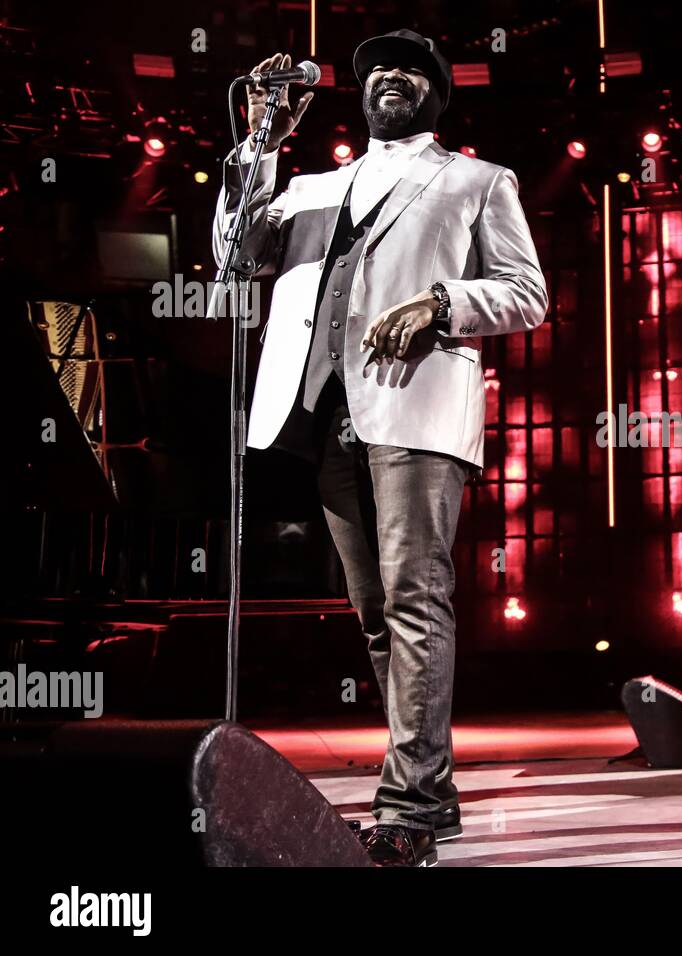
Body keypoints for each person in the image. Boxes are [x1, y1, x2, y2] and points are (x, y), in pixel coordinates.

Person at [212, 28, 548, 865]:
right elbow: (229, 258)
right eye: (375, 72)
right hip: (326, 413)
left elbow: (527, 293)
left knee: (415, 601)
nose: (390, 79)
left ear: (437, 93)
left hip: (416, 415)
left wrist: (441, 302)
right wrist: (258, 139)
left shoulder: (477, 179)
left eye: (410, 70)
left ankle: (407, 803)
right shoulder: (311, 186)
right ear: (357, 97)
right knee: (377, 615)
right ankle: (428, 793)